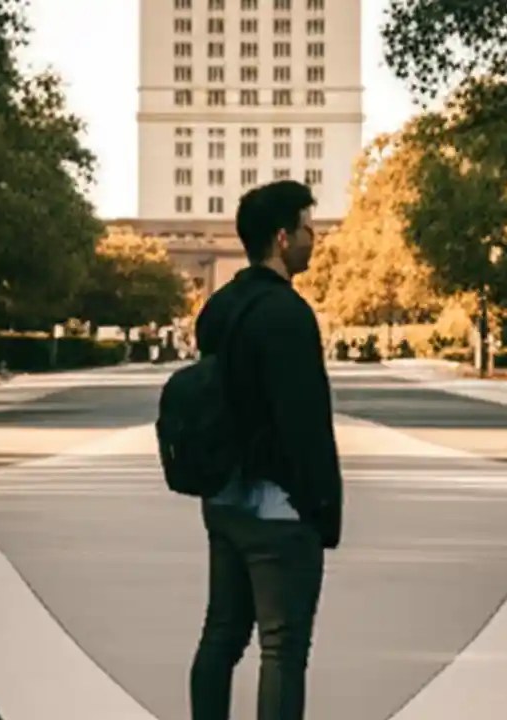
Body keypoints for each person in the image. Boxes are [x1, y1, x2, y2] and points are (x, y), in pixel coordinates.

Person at [188, 180, 344, 720]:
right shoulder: (288, 314)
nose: (313, 237)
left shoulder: (219, 308)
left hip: (223, 501)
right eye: (307, 227)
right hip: (279, 511)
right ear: (282, 238)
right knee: (282, 651)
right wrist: (322, 509)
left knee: (221, 637)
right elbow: (304, 424)